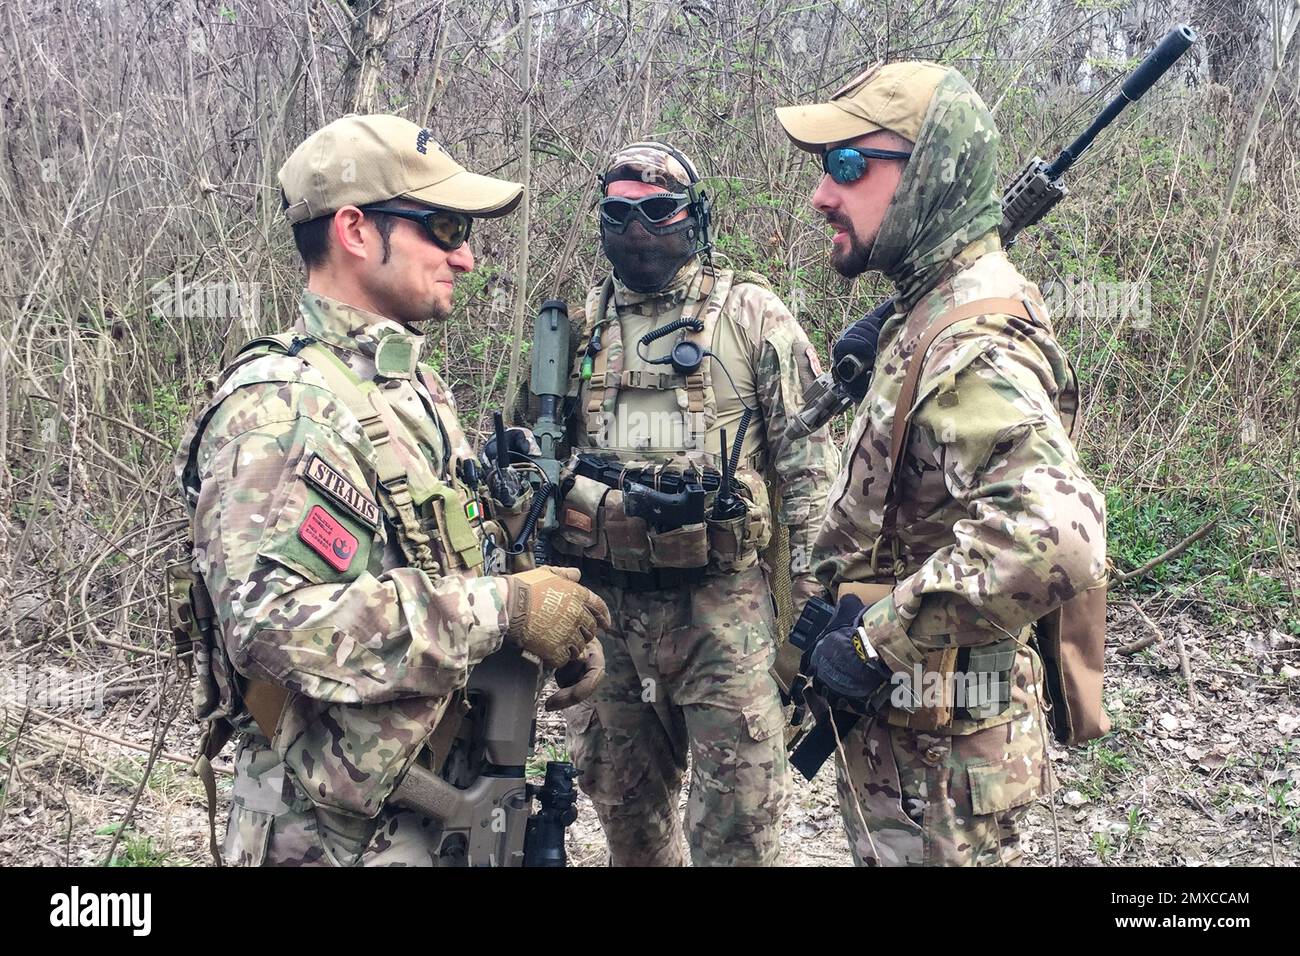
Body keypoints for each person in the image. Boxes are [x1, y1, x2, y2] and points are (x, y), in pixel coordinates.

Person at [173, 114, 609, 866]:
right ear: (352, 230)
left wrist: (548, 631)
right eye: (443, 227)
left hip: (435, 808)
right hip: (328, 835)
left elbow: (447, 554)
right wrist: (507, 610)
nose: (466, 257)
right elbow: (276, 625)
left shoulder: (410, 387)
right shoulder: (282, 405)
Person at [775, 62, 1107, 866]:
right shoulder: (933, 314)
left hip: (941, 764)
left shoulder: (971, 345)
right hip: (924, 750)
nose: (824, 194)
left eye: (849, 165)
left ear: (929, 176)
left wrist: (872, 642)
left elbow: (1058, 535)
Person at [547, 142, 838, 865]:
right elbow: (538, 467)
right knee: (626, 815)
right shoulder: (573, 331)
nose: (638, 226)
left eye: (658, 209)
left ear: (694, 217)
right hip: (606, 616)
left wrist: (811, 615)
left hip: (724, 615)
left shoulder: (752, 315)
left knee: (740, 821)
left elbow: (810, 469)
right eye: (619, 211)